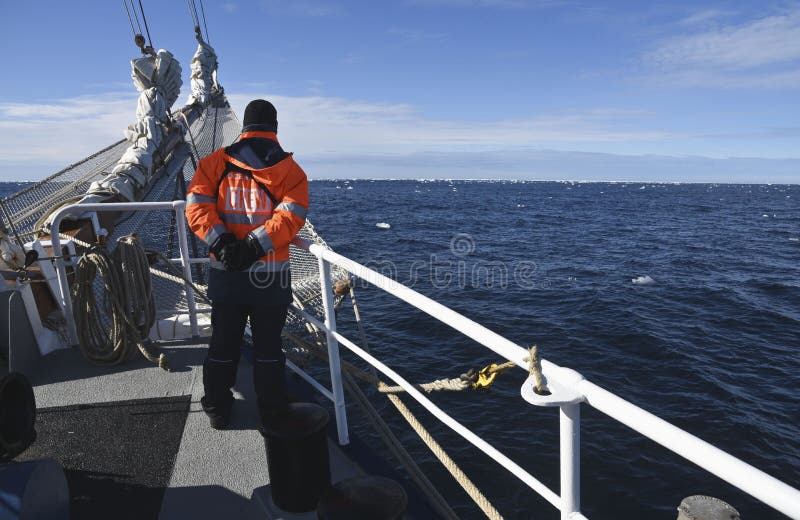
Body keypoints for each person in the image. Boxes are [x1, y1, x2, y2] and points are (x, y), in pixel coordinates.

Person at [185, 99, 309, 429]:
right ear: (275, 128)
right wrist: (254, 246)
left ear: (244, 127)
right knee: (269, 348)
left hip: (227, 275)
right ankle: (271, 409)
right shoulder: (292, 172)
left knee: (223, 342)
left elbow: (196, 207)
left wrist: (223, 243)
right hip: (271, 279)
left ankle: (216, 407)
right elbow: (291, 218)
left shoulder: (214, 164)